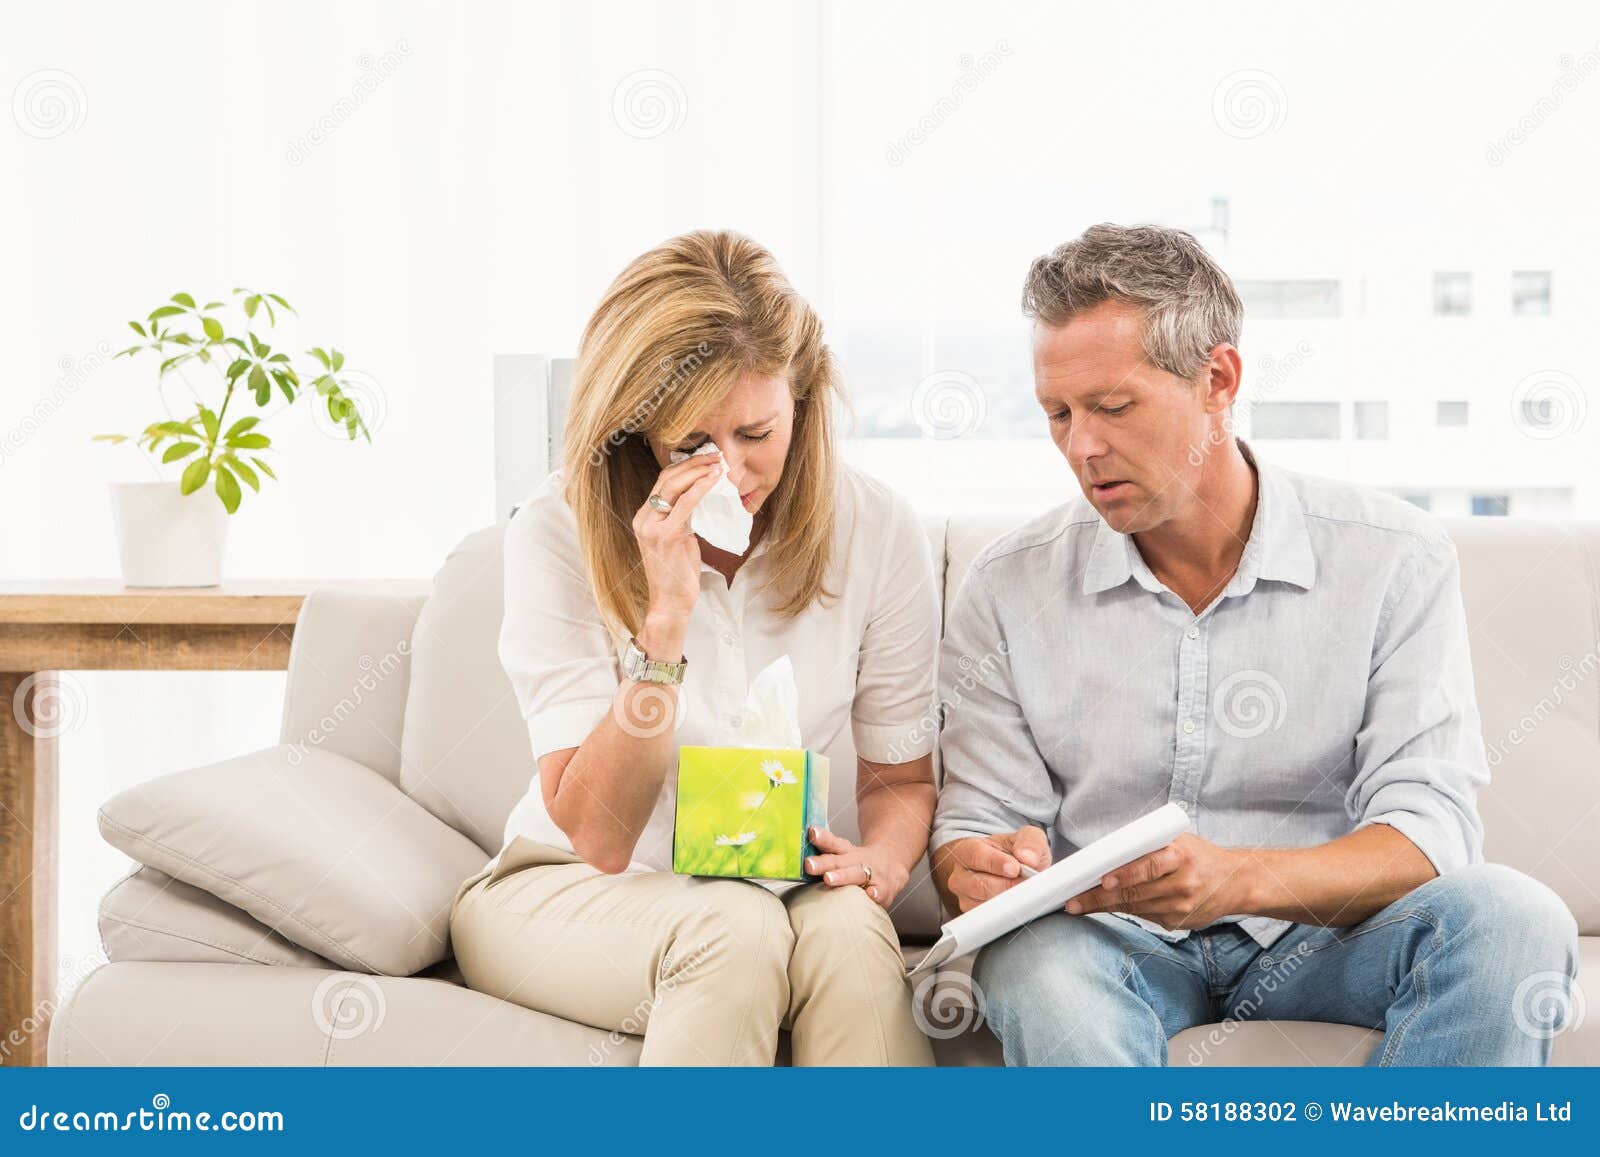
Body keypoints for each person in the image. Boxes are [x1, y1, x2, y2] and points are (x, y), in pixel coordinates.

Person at [931, 223, 1580, 1066]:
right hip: (1111, 942)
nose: (1081, 446)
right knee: (1034, 964)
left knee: (1514, 919)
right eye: (1058, 413)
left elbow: (1429, 829)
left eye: (1114, 407)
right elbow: (977, 821)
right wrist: (976, 863)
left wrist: (1236, 879)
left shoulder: (1394, 557)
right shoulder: (1006, 585)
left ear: (1218, 379)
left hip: (1332, 938)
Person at [451, 229, 938, 1066]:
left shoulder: (879, 529)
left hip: (780, 882)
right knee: (733, 927)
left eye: (756, 432)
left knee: (852, 934)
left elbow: (901, 779)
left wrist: (882, 863)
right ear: (639, 430)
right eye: (690, 445)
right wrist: (665, 618)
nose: (730, 473)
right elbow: (599, 835)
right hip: (570, 884)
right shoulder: (557, 531)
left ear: (802, 400)